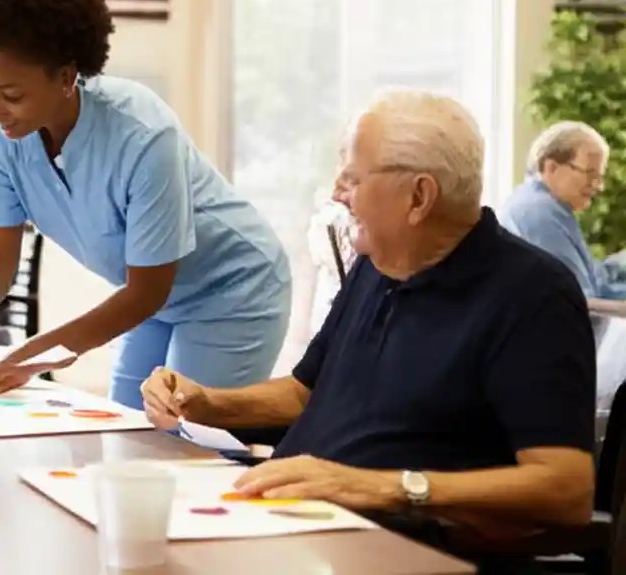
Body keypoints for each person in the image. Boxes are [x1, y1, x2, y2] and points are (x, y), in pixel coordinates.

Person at [142, 93, 594, 557]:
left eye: (353, 178)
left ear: (418, 197)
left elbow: (566, 490)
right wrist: (204, 402)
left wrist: (384, 488)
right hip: (299, 530)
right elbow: (306, 393)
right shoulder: (377, 264)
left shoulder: (532, 293)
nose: (338, 192)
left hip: (401, 552)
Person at [0, 0, 291, 405]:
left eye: (12, 94)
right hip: (153, 301)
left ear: (66, 77)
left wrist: (27, 358)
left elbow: (146, 292)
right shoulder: (1, 137)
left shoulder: (142, 135)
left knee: (186, 435)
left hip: (231, 289)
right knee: (125, 428)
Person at [500, 121, 626, 300]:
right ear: (551, 168)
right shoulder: (537, 213)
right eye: (590, 174)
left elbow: (596, 280)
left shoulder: (546, 207)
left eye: (599, 177)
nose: (599, 187)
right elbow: (580, 301)